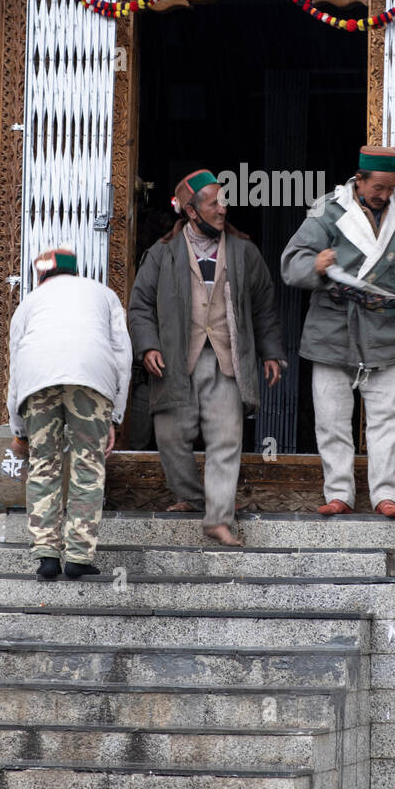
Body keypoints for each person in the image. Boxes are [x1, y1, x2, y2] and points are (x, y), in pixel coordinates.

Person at [128, 169, 285, 547]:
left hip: (228, 361)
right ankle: (192, 496)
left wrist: (271, 352)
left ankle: (218, 517)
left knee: (226, 438)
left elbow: (264, 307)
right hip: (176, 361)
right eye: (213, 202)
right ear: (191, 211)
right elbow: (139, 307)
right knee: (171, 435)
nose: (222, 208)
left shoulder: (245, 251)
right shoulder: (162, 253)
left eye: (223, 200)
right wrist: (148, 346)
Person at [281, 145, 395, 518]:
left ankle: (385, 495)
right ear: (360, 178)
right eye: (378, 187)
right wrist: (316, 264)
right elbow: (292, 261)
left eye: (391, 188)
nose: (384, 195)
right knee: (332, 418)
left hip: (384, 332)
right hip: (332, 331)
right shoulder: (327, 209)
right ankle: (339, 494)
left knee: (386, 421)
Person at [7, 247, 131, 580]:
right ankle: (78, 556)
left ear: (39, 275)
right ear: (75, 271)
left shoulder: (29, 303)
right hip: (91, 377)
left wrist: (19, 430)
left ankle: (47, 555)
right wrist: (115, 416)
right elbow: (122, 355)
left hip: (37, 379)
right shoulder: (104, 295)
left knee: (44, 462)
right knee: (88, 463)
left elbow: (16, 366)